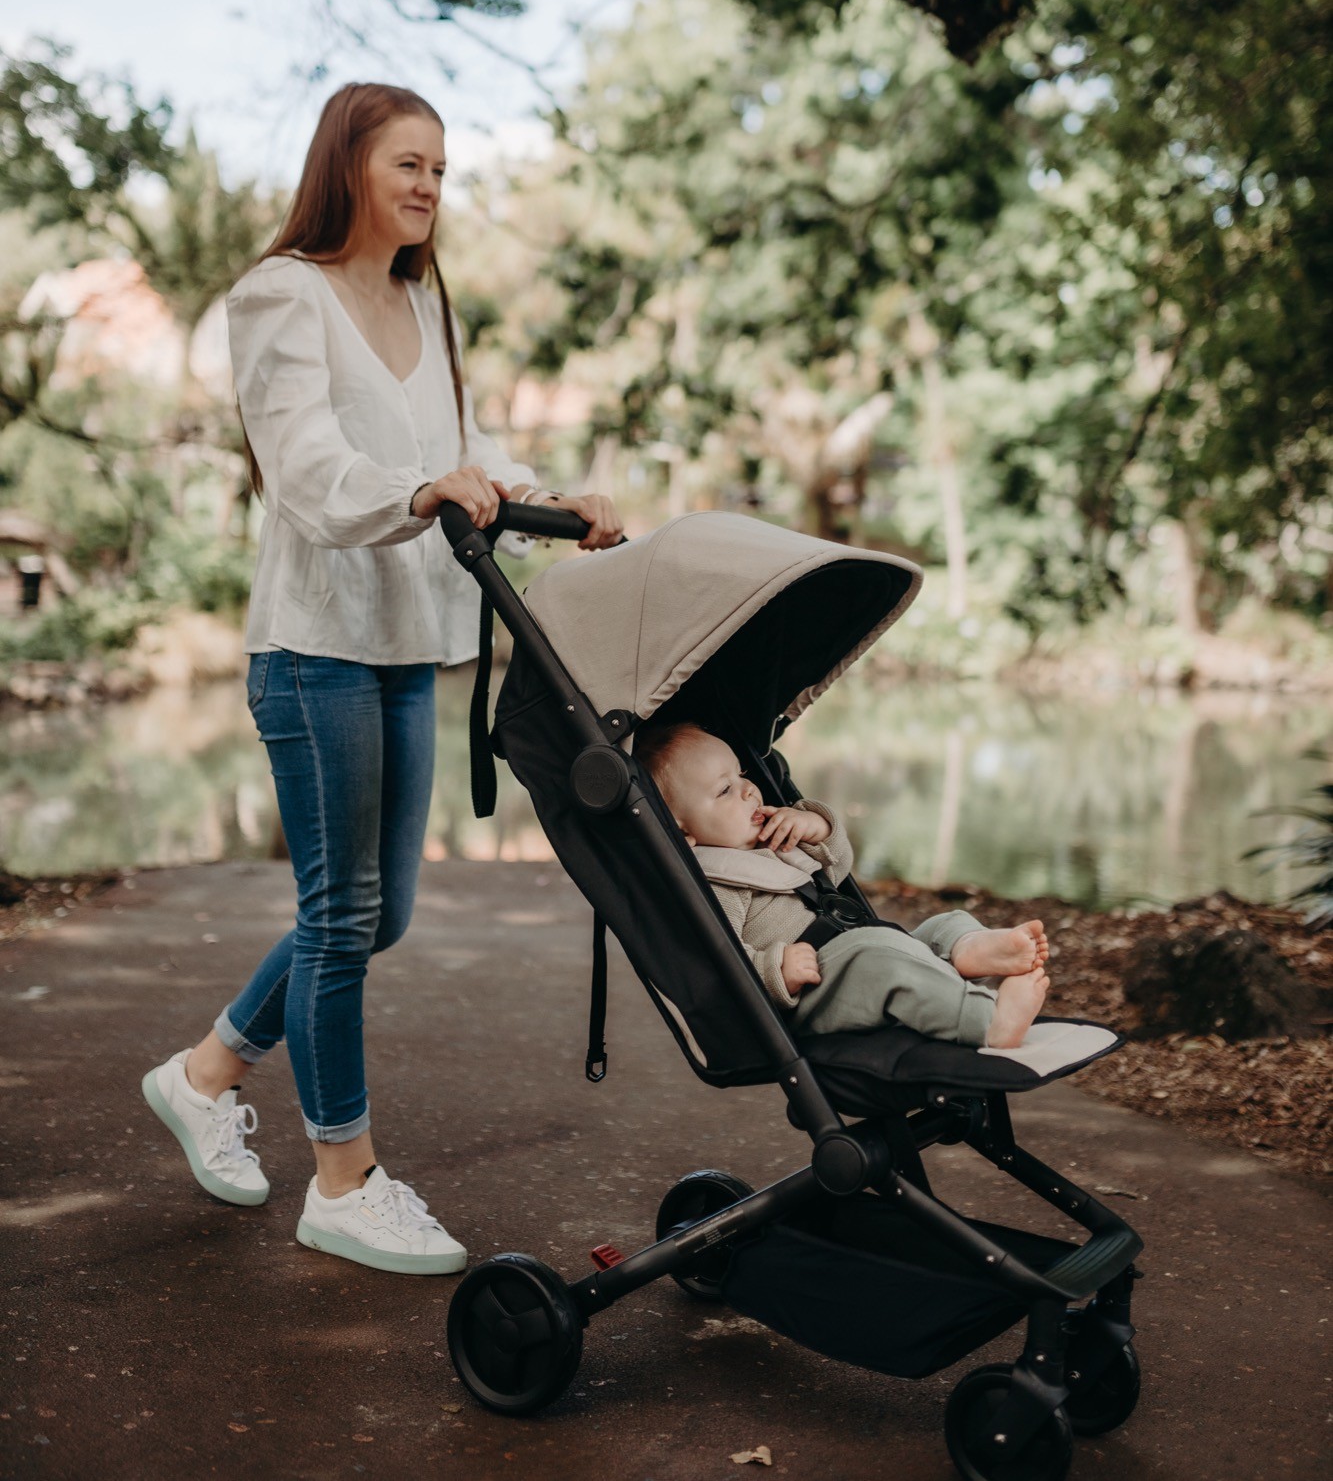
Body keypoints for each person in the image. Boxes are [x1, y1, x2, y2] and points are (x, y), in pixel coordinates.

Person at [142, 81, 622, 1275]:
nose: (427, 186)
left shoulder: (422, 301)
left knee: (373, 914)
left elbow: (460, 457)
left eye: (441, 171)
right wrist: (412, 495)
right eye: (408, 162)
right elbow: (306, 463)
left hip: (408, 646)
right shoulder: (279, 293)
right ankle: (343, 1179)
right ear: (347, 164)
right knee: (343, 918)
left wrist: (556, 502)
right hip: (314, 649)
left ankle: (205, 1074)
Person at [638, 724, 1050, 1050]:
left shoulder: (772, 842)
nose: (748, 789)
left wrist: (815, 827)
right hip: (816, 991)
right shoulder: (713, 885)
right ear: (681, 830)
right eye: (725, 790)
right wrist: (774, 969)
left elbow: (835, 869)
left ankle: (969, 949)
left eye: (741, 774)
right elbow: (719, 962)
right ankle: (988, 1023)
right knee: (881, 959)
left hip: (856, 947)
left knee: (946, 921)